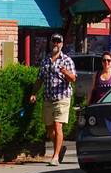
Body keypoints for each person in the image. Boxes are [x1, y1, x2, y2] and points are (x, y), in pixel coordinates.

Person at [29, 33, 76, 165]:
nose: (56, 44)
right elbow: (39, 80)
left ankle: (55, 157)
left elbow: (73, 78)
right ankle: (60, 148)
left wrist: (66, 72)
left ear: (61, 44)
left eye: (58, 42)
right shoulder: (45, 61)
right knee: (49, 129)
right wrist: (34, 93)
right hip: (48, 98)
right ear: (50, 43)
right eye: (54, 41)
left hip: (62, 97)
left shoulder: (67, 60)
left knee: (57, 125)